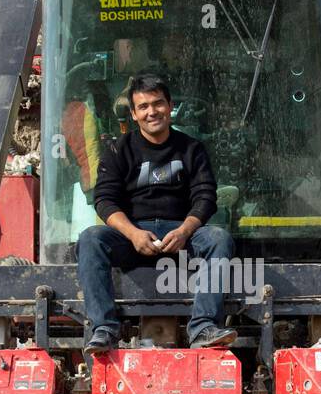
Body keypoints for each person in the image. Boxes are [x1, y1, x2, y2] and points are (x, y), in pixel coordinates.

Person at [77, 71, 236, 355]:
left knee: (218, 238)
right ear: (134, 114)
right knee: (90, 238)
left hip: (182, 236)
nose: (152, 112)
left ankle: (203, 327)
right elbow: (104, 200)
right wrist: (133, 233)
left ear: (170, 106)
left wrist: (185, 231)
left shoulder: (192, 149)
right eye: (144, 107)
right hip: (134, 236)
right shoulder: (117, 150)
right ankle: (104, 328)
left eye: (158, 103)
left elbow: (205, 197)